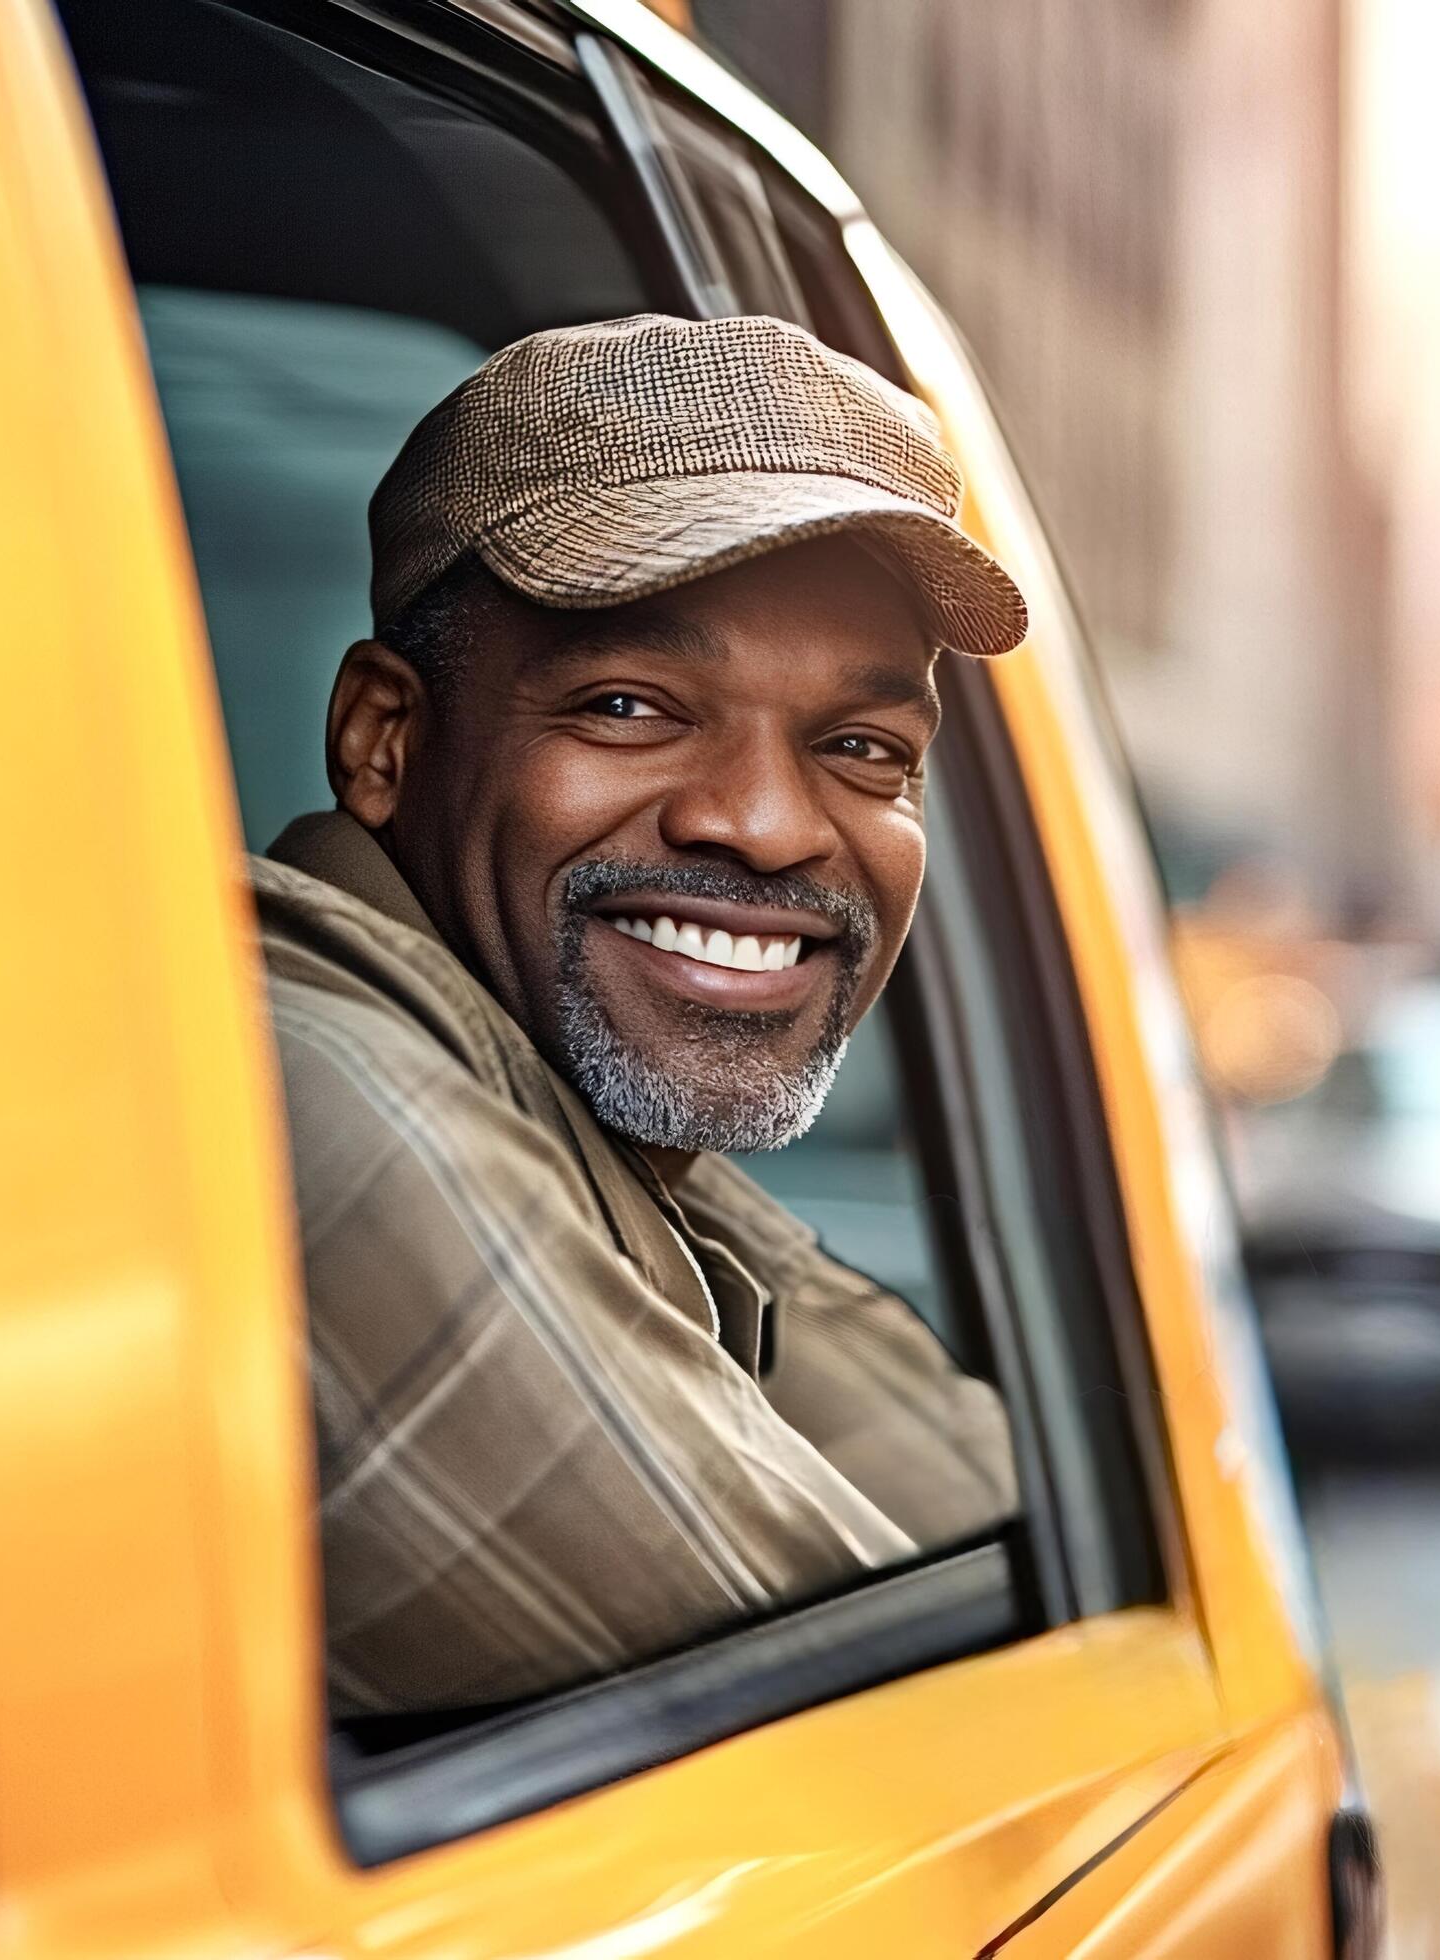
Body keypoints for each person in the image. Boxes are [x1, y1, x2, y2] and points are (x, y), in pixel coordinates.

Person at [252, 313, 1028, 1719]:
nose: (769, 825)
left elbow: (968, 1504)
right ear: (384, 738)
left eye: (862, 747)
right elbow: (942, 1738)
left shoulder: (588, 1139)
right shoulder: (309, 1101)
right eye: (629, 705)